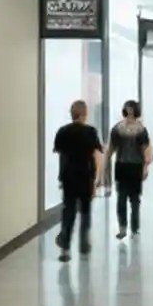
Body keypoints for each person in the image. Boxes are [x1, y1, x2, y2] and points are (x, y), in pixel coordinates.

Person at [53, 100, 104, 262]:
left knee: (68, 213)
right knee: (86, 212)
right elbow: (97, 156)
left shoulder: (62, 132)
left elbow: (61, 156)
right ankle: (83, 244)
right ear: (84, 114)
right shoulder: (90, 132)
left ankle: (65, 249)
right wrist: (97, 179)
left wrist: (61, 177)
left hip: (68, 177)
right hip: (85, 177)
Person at [106, 100, 152, 239]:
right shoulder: (117, 128)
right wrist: (105, 162)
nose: (130, 111)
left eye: (132, 108)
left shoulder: (141, 130)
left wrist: (145, 167)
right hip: (121, 166)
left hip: (135, 166)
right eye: (128, 108)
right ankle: (122, 227)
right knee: (121, 198)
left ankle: (135, 226)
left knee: (135, 199)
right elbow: (111, 148)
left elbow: (145, 149)